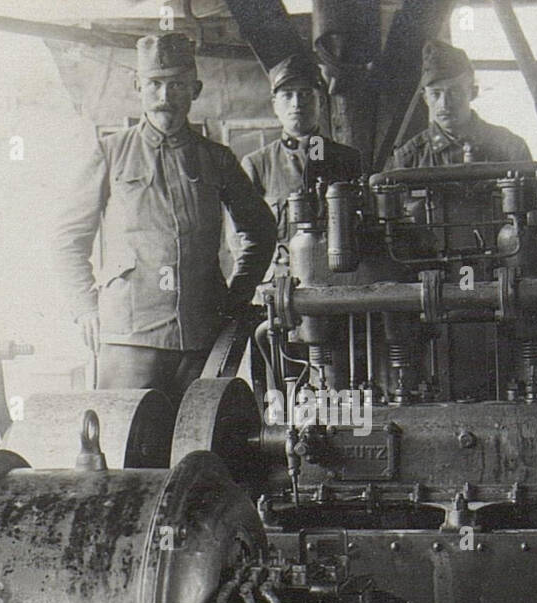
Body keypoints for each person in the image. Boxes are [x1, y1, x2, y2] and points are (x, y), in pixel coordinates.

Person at [53, 32, 275, 398]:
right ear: (138, 86)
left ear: (196, 89)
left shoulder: (216, 159)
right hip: (129, 336)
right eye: (155, 84)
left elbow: (261, 230)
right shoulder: (110, 153)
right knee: (125, 444)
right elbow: (67, 239)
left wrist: (236, 295)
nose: (165, 97)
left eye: (177, 85)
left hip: (203, 336)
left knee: (200, 444)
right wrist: (84, 307)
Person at [242, 53, 362, 243]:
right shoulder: (258, 165)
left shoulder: (347, 159)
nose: (297, 103)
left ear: (321, 101)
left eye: (305, 94)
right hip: (281, 270)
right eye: (288, 95)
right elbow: (243, 237)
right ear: (275, 105)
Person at [391, 40, 531, 168]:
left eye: (454, 92)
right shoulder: (410, 159)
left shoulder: (511, 149)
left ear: (473, 92)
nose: (445, 104)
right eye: (436, 94)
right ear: (425, 98)